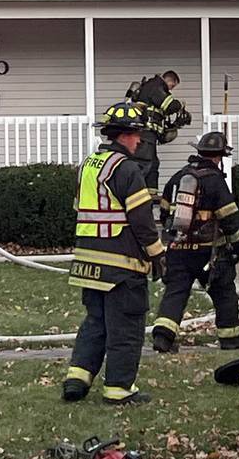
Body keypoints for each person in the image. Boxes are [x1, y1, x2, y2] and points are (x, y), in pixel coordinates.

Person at [63, 100, 167, 407]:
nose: (139, 141)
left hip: (88, 263)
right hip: (122, 264)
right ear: (125, 135)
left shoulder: (89, 165)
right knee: (126, 325)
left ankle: (77, 378)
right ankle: (119, 388)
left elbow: (79, 209)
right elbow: (141, 220)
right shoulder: (127, 169)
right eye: (137, 135)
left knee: (96, 322)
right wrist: (157, 254)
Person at [151, 129, 239, 354]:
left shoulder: (177, 178)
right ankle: (230, 338)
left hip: (179, 249)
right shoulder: (214, 181)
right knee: (223, 292)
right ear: (218, 157)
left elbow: (164, 214)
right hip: (209, 253)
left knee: (176, 292)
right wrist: (236, 246)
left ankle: (163, 338)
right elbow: (229, 217)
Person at [129, 70, 192, 191]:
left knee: (152, 164)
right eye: (172, 86)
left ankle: (150, 196)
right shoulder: (156, 86)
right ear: (169, 80)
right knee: (147, 164)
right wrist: (180, 106)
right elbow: (169, 105)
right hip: (145, 134)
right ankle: (140, 194)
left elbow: (159, 113)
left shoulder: (151, 87)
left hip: (147, 135)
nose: (171, 89)